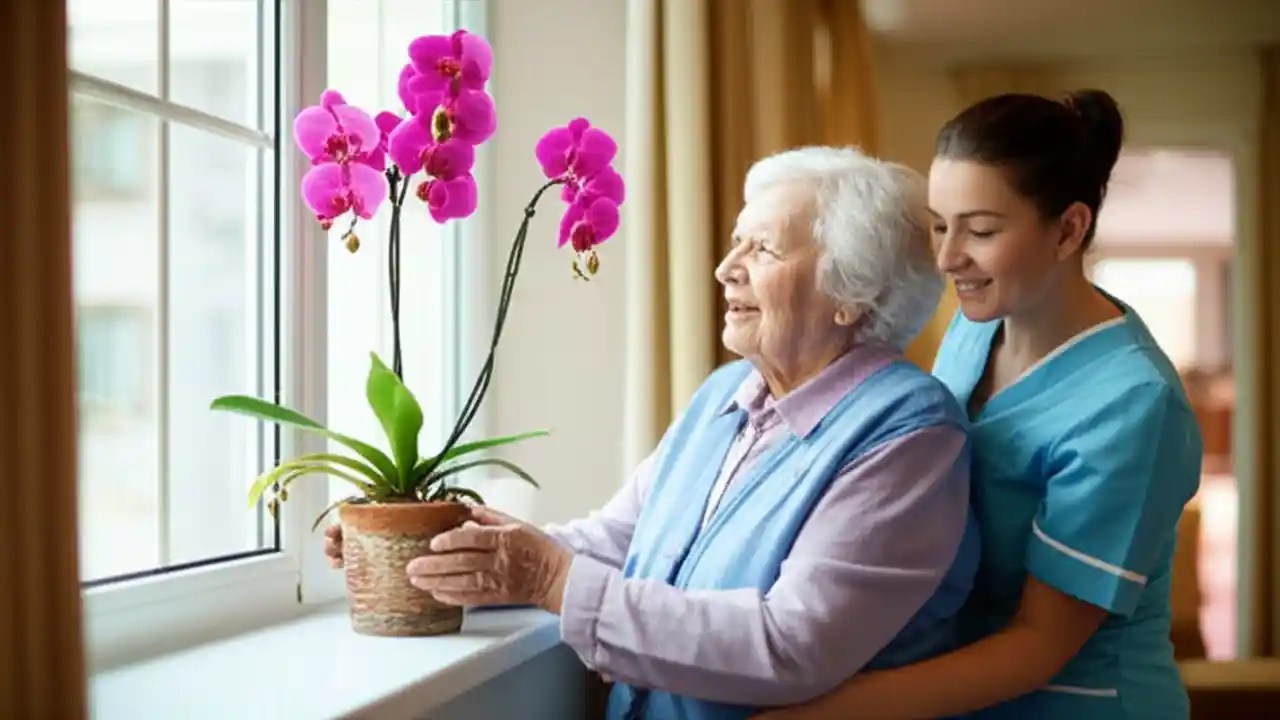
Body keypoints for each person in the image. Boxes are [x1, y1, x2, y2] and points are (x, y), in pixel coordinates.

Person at [326, 147, 981, 720]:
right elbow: (616, 543)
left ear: (853, 295)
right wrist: (441, 545)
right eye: (736, 243)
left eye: (764, 249)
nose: (727, 268)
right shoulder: (725, 395)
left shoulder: (909, 434)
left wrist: (546, 577)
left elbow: (792, 645)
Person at [752, 90, 1203, 720]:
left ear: (1069, 229)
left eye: (982, 230)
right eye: (940, 224)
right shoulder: (974, 330)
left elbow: (1039, 645)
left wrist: (831, 709)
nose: (946, 258)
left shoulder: (1134, 407)